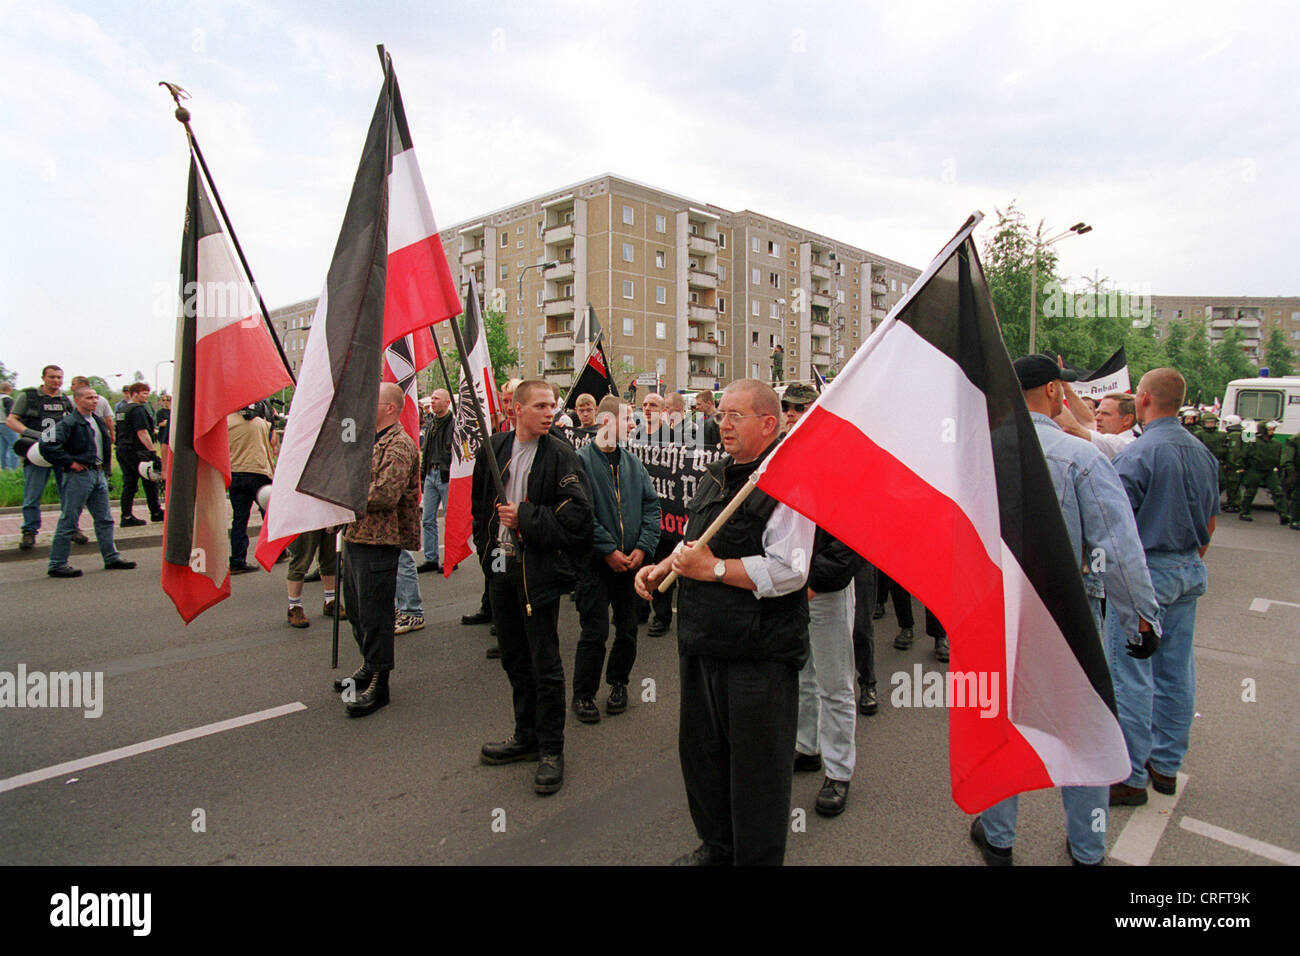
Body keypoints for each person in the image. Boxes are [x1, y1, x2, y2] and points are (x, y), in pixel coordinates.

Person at [970, 355, 1160, 866]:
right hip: (1068, 615)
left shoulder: (977, 455)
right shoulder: (1080, 457)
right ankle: (1087, 847)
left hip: (998, 614)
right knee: (1081, 726)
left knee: (1000, 723)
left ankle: (998, 835)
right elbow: (1117, 549)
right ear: (1053, 391)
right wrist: (1140, 618)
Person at [635, 379, 815, 866]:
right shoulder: (717, 474)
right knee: (703, 761)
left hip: (758, 657)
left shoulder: (786, 481)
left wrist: (712, 570)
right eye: (722, 415)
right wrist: (666, 567)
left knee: (756, 776)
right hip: (703, 643)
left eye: (736, 415)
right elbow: (697, 543)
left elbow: (791, 571)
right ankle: (716, 849)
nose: (724, 423)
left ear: (768, 423)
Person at [474, 380, 593, 795]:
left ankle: (551, 750)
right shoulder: (494, 448)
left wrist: (524, 516)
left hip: (536, 574)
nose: (550, 412)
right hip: (501, 572)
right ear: (516, 409)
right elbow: (479, 509)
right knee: (513, 658)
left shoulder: (561, 455)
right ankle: (525, 736)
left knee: (544, 663)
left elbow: (579, 518)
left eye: (553, 405)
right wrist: (485, 554)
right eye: (540, 405)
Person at [1106, 368, 1218, 807]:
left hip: (1147, 573)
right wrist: (1185, 564)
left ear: (1144, 399)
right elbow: (1210, 523)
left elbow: (1115, 530)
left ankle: (1131, 775)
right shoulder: (1202, 452)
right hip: (1189, 567)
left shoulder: (1137, 455)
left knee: (1132, 673)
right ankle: (1165, 766)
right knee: (1176, 670)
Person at [782, 389, 864, 816]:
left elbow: (849, 542)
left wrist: (812, 584)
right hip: (791, 588)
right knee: (804, 676)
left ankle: (839, 770)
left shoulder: (839, 464)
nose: (793, 415)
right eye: (788, 409)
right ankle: (807, 746)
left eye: (802, 409)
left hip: (824, 592)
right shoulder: (780, 459)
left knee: (834, 683)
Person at [333, 382, 420, 718]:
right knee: (356, 611)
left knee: (376, 616)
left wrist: (344, 495)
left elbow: (385, 494)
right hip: (357, 535)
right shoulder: (369, 440)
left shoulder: (399, 444)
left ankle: (380, 685)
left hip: (380, 541)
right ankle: (368, 667)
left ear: (389, 408)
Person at [571, 396, 660, 723]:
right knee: (594, 632)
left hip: (630, 567)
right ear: (607, 422)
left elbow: (652, 508)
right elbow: (580, 514)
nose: (634, 425)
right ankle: (583, 695)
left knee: (627, 629)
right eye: (628, 420)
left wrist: (643, 548)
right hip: (595, 566)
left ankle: (619, 683)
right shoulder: (578, 462)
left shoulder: (634, 465)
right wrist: (607, 550)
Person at [38, 384, 137, 577]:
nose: (94, 401)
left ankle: (111, 557)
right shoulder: (69, 423)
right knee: (69, 519)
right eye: (89, 398)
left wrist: (105, 471)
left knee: (105, 519)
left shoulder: (97, 421)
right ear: (77, 400)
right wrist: (70, 462)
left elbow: (105, 444)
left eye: (95, 397)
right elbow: (47, 444)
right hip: (79, 476)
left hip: (97, 474)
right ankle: (57, 563)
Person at [7, 365, 78, 550]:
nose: (56, 381)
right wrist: (32, 434)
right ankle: (29, 531)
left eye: (59, 377)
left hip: (60, 452)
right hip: (36, 452)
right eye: (52, 377)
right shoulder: (28, 397)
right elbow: (11, 420)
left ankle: (72, 528)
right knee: (33, 493)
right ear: (43, 378)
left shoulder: (65, 400)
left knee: (68, 494)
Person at [226, 403, 275, 571]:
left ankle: (237, 560)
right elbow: (270, 448)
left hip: (235, 472)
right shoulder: (262, 424)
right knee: (269, 516)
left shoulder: (227, 422)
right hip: (258, 473)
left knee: (239, 519)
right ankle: (274, 552)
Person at [418, 388, 453, 573]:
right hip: (431, 474)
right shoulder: (431, 423)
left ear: (447, 402)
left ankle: (451, 558)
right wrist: (423, 474)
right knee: (427, 518)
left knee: (450, 519)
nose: (432, 401)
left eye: (436, 398)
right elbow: (426, 450)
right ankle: (431, 558)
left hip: (445, 475)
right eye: (431, 398)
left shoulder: (453, 424)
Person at [286, 528, 343, 627]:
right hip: (305, 518)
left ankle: (331, 601)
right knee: (300, 560)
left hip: (328, 515)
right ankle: (294, 607)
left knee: (330, 559)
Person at [1236, 421, 1288, 522]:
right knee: (1250, 492)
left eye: (1273, 429)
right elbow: (1244, 454)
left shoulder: (1276, 444)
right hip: (1254, 469)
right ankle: (1244, 512)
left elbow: (1278, 459)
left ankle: (1284, 514)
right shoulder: (1252, 440)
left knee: (1278, 491)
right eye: (1269, 429)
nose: (1272, 431)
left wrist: (1280, 471)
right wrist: (1241, 467)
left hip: (1269, 471)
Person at [1220, 414, 1246, 512]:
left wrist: (1230, 463)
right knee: (1234, 484)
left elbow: (1233, 452)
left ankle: (1235, 504)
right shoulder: (1245, 433)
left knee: (1232, 484)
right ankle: (1233, 503)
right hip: (1241, 463)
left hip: (1235, 464)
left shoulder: (1234, 435)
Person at [1281, 430, 1300, 530]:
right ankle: (1295, 520)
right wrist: (1291, 472)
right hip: (1296, 472)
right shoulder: (1294, 440)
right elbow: (1287, 458)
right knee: (1297, 496)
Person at [0, 382, 18, 469]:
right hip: (6, 424)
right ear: (9, 389)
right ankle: (13, 468)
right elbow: (10, 414)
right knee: (14, 446)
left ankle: (4, 467)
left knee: (3, 447)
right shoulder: (8, 399)